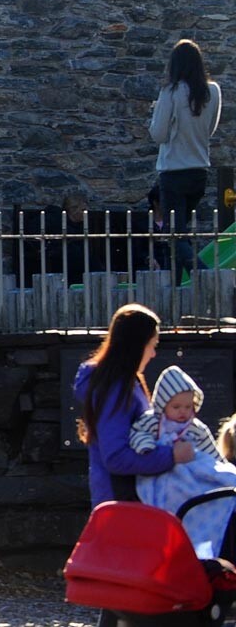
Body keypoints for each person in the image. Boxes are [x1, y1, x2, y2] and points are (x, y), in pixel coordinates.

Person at [74, 303, 193, 509]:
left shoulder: (123, 382)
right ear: (138, 346)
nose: (154, 354)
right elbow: (116, 457)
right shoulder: (116, 388)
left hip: (125, 500)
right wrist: (172, 456)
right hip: (122, 503)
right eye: (152, 345)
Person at [129, 365, 236, 553]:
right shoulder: (152, 422)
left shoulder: (195, 428)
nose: (182, 412)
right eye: (176, 407)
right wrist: (147, 447)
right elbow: (138, 434)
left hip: (194, 469)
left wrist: (222, 468)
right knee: (170, 491)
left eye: (188, 407)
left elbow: (212, 454)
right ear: (163, 405)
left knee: (223, 479)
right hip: (166, 470)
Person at [151, 39, 221, 252]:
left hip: (173, 171)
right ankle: (177, 281)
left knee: (174, 235)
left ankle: (203, 275)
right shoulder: (213, 91)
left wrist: (156, 112)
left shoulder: (171, 91)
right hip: (198, 170)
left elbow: (158, 134)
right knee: (180, 233)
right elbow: (209, 130)